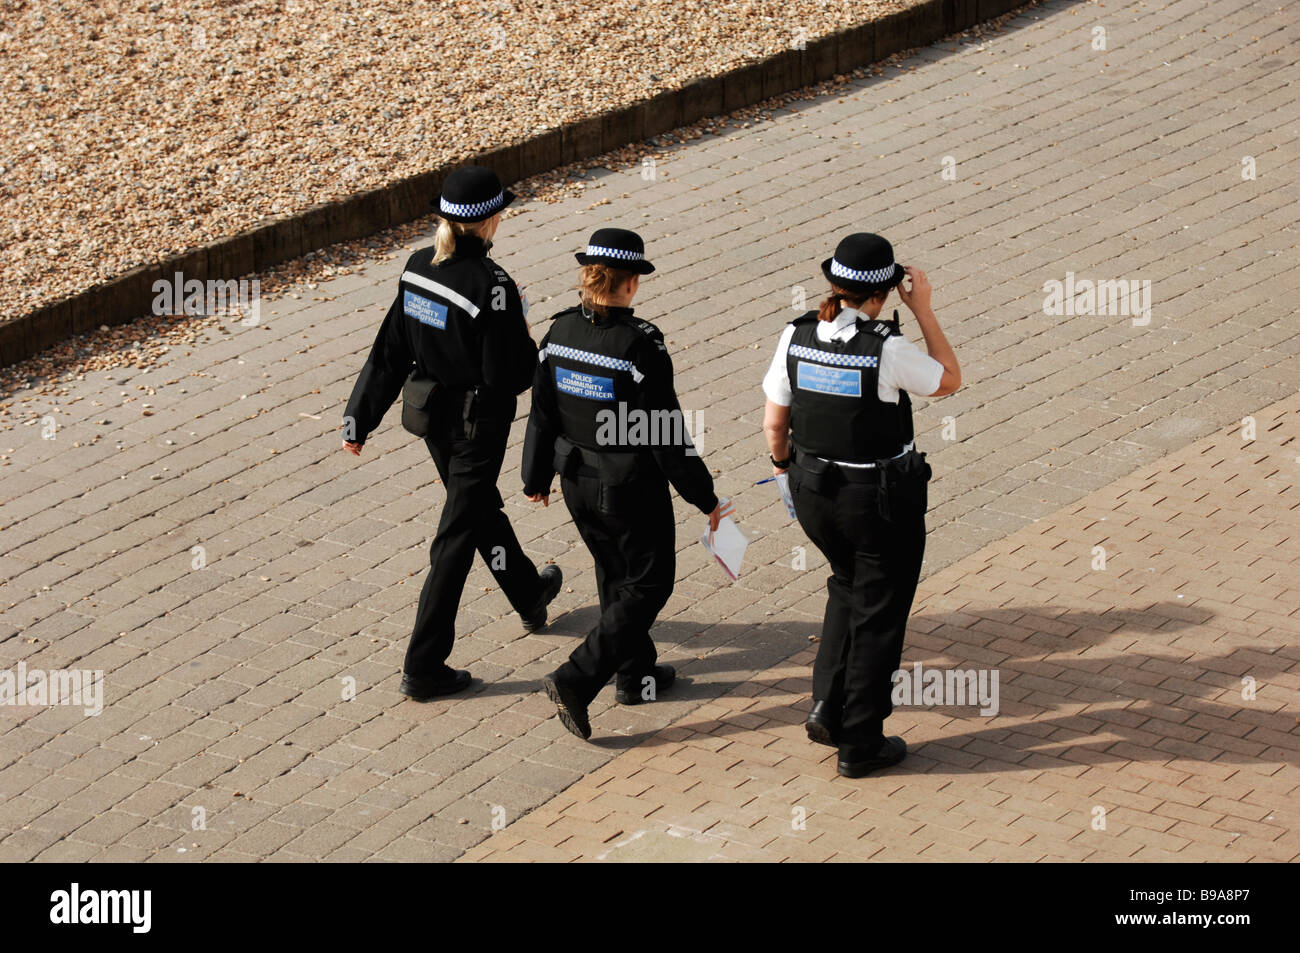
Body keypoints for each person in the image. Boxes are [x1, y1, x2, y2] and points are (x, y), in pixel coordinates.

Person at [342, 166, 563, 701]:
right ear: (488, 220)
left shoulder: (418, 267)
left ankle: (528, 591)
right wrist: (527, 334)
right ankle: (424, 666)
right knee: (456, 538)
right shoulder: (493, 286)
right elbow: (510, 376)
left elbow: (389, 349)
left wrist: (359, 418)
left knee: (475, 510)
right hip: (476, 427)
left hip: (432, 419)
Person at [762, 232, 960, 777]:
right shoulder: (887, 350)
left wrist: (783, 471)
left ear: (833, 281)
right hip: (875, 502)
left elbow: (775, 424)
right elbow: (949, 379)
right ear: (886, 290)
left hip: (811, 491)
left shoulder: (796, 335)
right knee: (879, 613)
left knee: (845, 589)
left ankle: (827, 705)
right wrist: (924, 310)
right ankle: (861, 742)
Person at [521, 228, 726, 740]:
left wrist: (535, 475)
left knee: (615, 572)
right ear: (631, 283)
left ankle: (634, 675)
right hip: (629, 486)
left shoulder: (557, 335)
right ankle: (576, 677)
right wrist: (706, 498)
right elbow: (666, 433)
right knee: (650, 583)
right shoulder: (640, 347)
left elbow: (542, 413)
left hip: (575, 481)